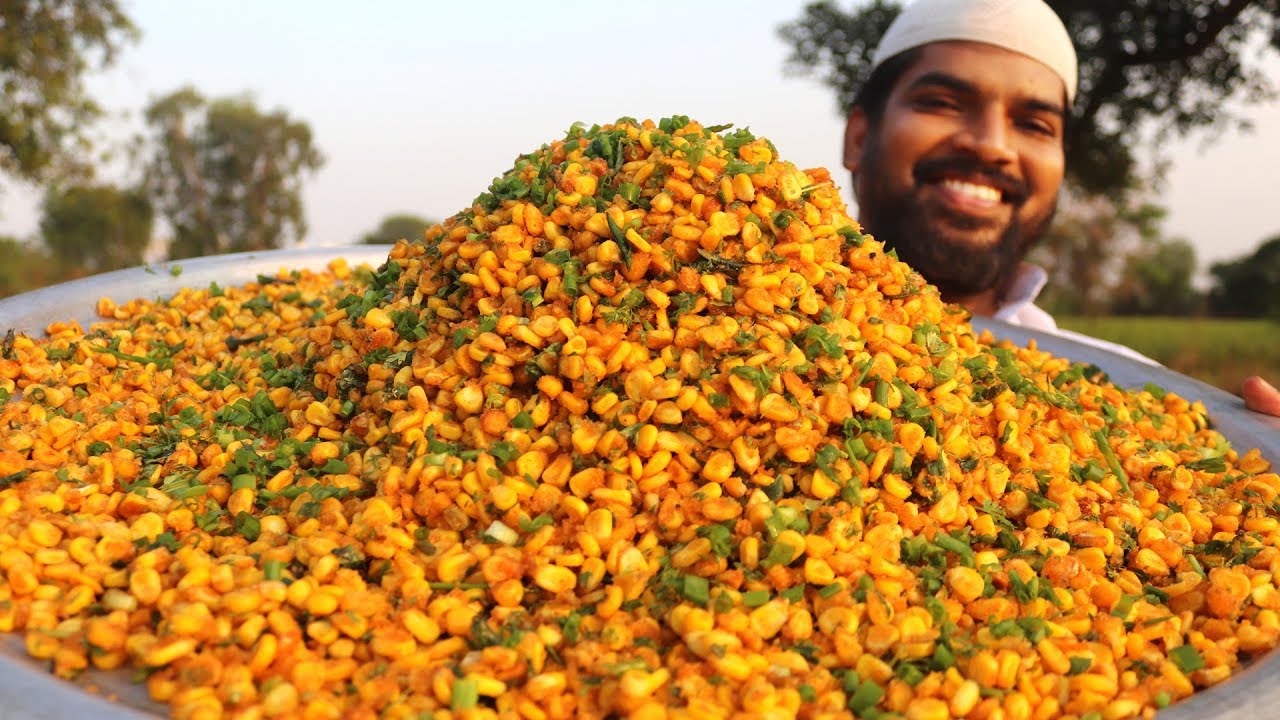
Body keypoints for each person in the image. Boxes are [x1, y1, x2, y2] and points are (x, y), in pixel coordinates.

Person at [839, 0, 1280, 416]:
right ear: (859, 137)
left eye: (1034, 125)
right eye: (942, 103)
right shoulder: (775, 339)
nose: (992, 145)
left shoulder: (1126, 393)